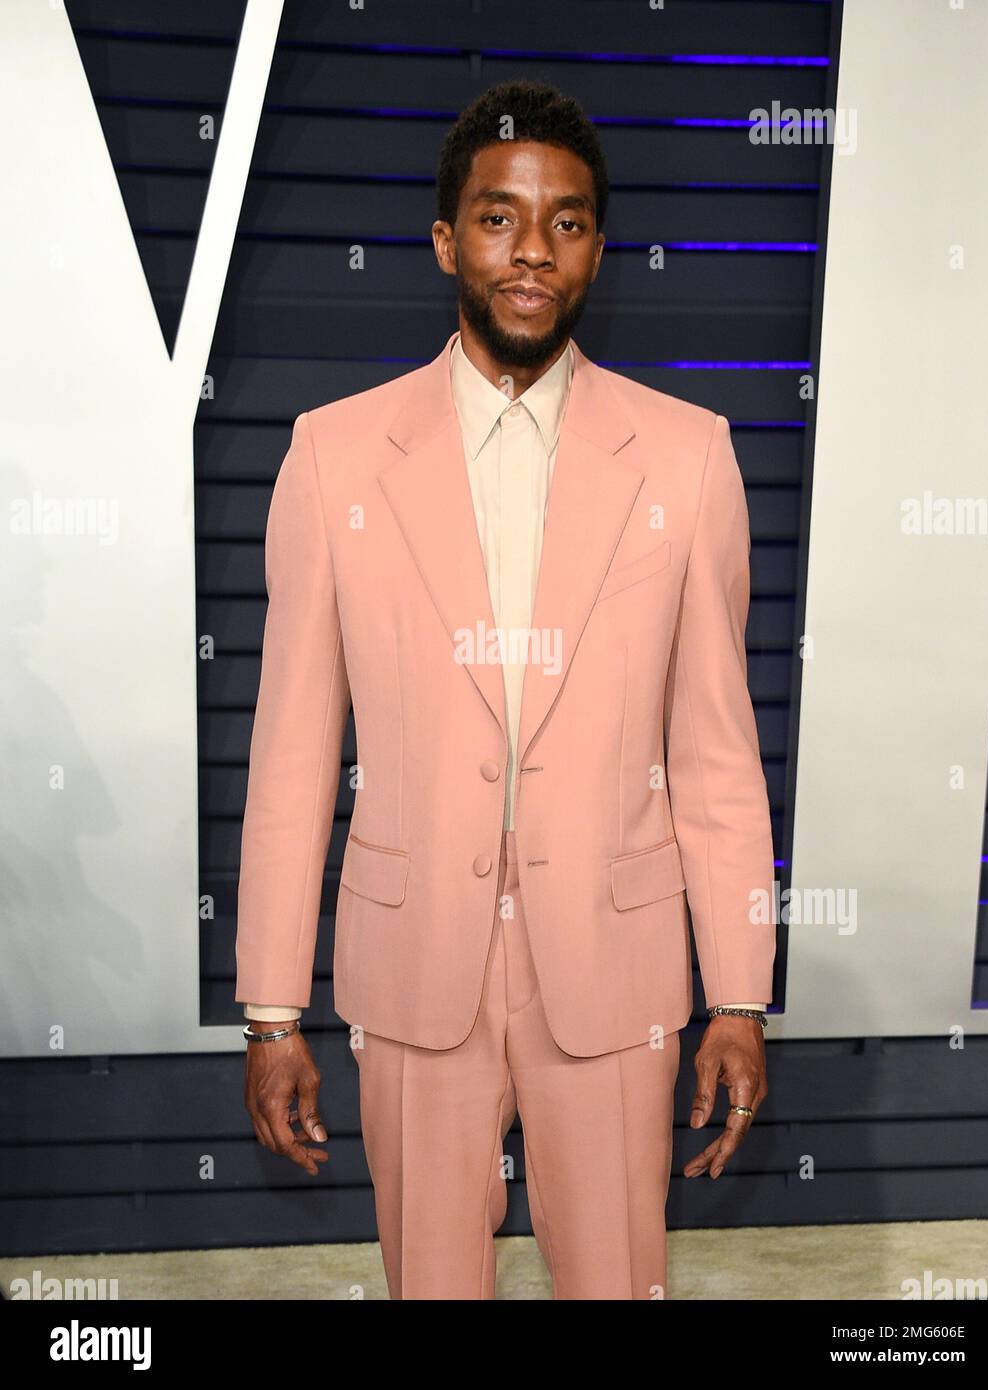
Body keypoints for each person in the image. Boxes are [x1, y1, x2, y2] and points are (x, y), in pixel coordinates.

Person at [235, 79, 775, 1300]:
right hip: (413, 968)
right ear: (445, 240)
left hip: (617, 970)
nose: (533, 250)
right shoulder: (333, 455)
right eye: (498, 218)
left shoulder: (688, 457)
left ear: (595, 246)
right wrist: (273, 1012)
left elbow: (713, 751)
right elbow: (292, 750)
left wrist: (738, 992)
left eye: (567, 221)